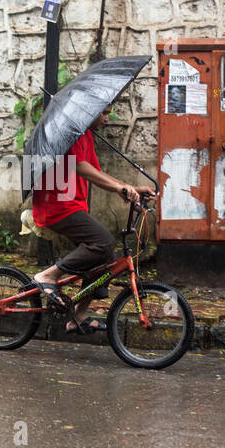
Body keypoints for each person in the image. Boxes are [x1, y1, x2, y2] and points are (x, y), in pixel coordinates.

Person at [31, 106, 155, 333]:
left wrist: (129, 188)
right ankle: (48, 275)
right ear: (89, 111)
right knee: (103, 242)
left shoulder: (85, 135)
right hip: (57, 206)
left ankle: (77, 316)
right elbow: (80, 167)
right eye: (104, 112)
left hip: (71, 206)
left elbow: (98, 174)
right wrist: (120, 187)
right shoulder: (71, 132)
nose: (107, 118)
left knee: (104, 259)